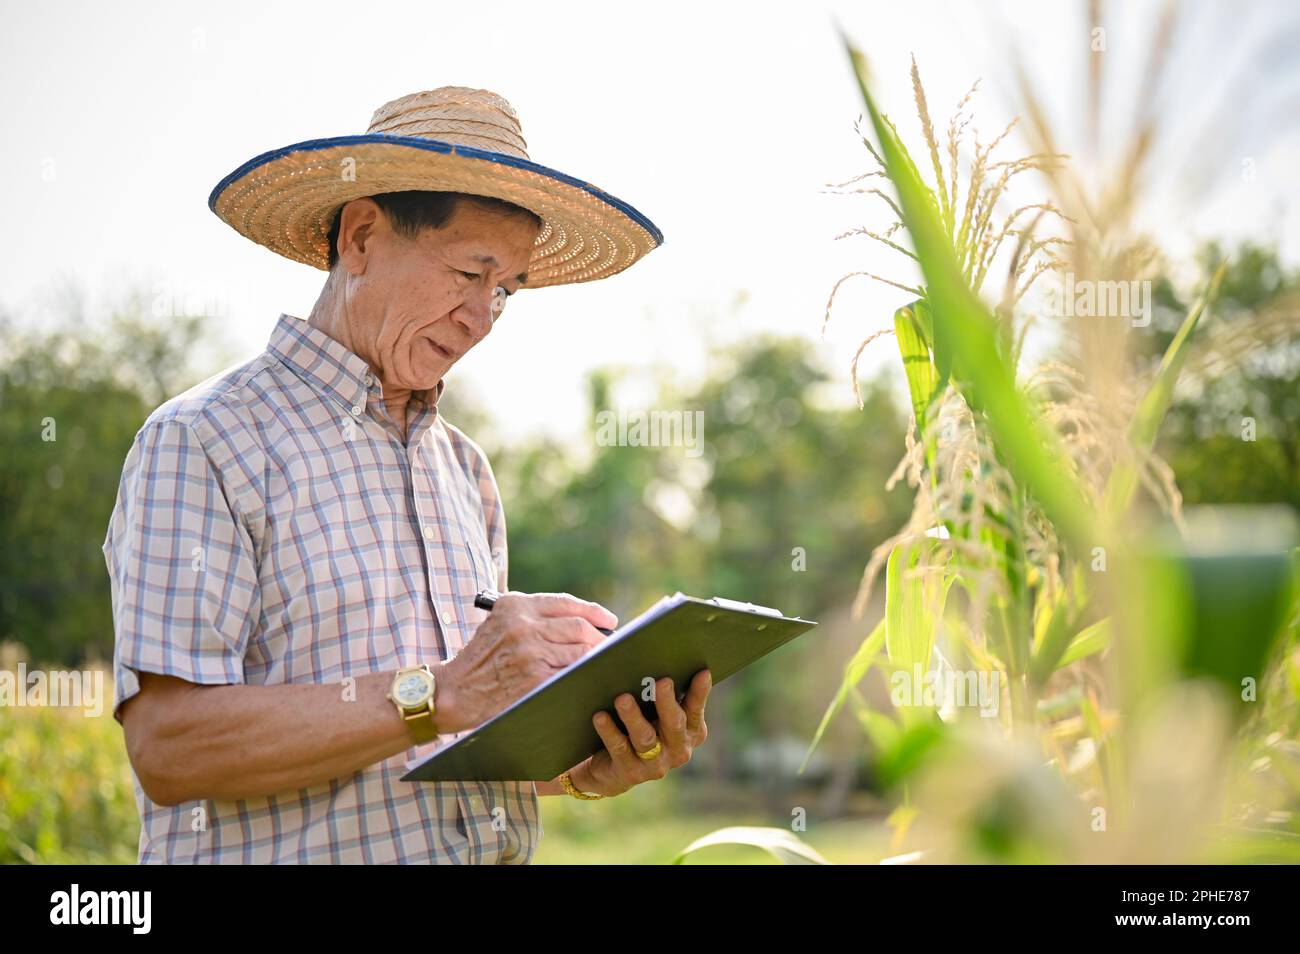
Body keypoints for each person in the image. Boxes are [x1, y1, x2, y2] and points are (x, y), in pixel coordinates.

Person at [103, 86, 711, 864]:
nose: (482, 315)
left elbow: (435, 753)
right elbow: (169, 747)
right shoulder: (204, 441)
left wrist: (593, 766)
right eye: (467, 271)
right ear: (360, 236)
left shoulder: (465, 471)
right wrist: (442, 692)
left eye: (507, 291)